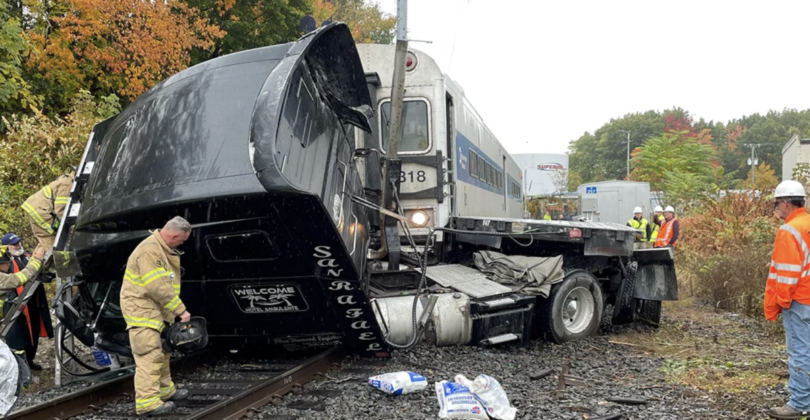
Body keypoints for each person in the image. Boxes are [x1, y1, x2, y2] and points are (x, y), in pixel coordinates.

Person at [121, 217, 192, 416]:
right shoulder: (150, 251)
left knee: (163, 351)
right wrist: (181, 311)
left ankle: (164, 390)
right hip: (142, 312)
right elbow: (157, 287)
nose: (182, 244)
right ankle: (147, 402)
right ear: (175, 235)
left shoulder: (158, 249)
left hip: (154, 312)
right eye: (182, 240)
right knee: (149, 355)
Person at [765, 180, 810, 419]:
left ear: (785, 203)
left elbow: (786, 274)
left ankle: (800, 403)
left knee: (800, 352)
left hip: (800, 300)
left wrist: (778, 304)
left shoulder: (789, 230)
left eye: (776, 205)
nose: (776, 210)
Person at [1, 234, 53, 371]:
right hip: (13, 307)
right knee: (16, 338)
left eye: (19, 242)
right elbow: (17, 280)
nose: (18, 245)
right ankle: (19, 368)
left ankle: (29, 362)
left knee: (32, 335)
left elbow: (36, 273)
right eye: (14, 244)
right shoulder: (6, 264)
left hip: (31, 304)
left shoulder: (26, 257)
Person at [21, 171, 75, 251]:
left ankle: (36, 261)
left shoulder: (67, 180)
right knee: (53, 243)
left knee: (45, 241)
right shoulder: (67, 184)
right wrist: (74, 227)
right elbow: (61, 210)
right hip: (40, 211)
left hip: (37, 209)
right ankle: (55, 261)